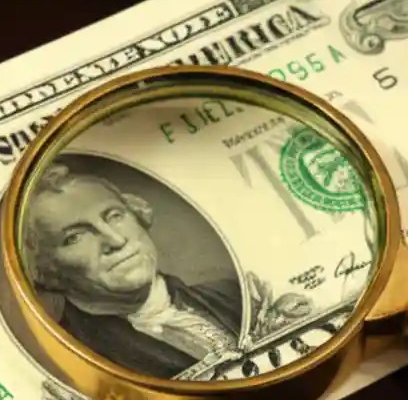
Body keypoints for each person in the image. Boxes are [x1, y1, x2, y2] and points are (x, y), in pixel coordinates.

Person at [19, 162, 245, 378]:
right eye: (75, 237)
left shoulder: (233, 294)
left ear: (138, 214)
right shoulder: (74, 357)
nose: (116, 240)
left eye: (115, 216)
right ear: (44, 268)